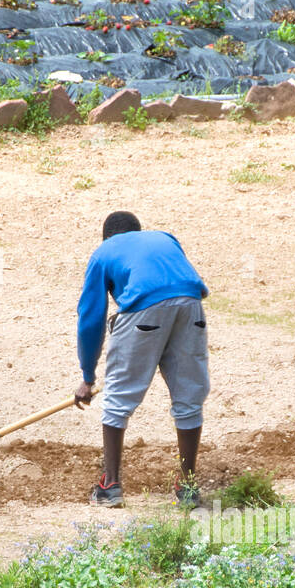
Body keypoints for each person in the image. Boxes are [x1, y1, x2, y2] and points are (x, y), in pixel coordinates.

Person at [74, 211, 210, 508]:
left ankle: (110, 486)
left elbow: (90, 319)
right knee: (189, 397)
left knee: (118, 399)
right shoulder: (164, 238)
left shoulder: (104, 252)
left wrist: (88, 377)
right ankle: (187, 487)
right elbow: (172, 287)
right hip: (191, 305)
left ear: (107, 237)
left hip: (144, 310)